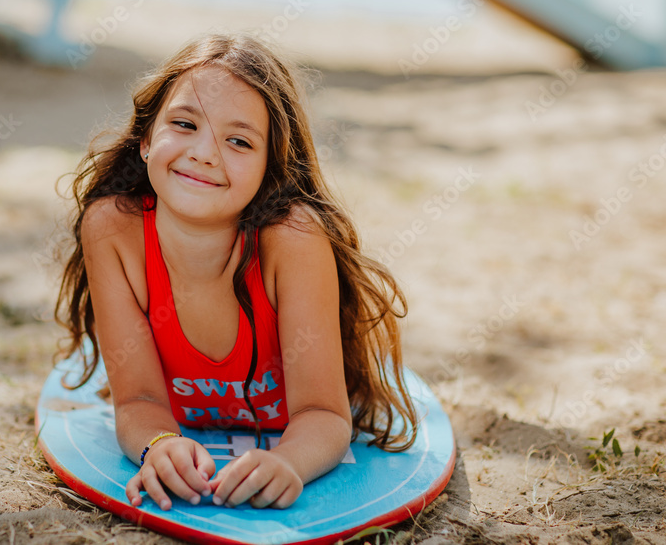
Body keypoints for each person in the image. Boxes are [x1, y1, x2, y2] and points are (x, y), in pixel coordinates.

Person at [54, 32, 417, 512]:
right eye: (184, 124)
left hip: (296, 429)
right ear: (145, 139)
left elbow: (324, 413)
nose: (205, 153)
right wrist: (160, 445)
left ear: (271, 167)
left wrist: (288, 462)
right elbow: (138, 399)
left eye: (239, 141)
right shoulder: (112, 230)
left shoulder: (293, 239)